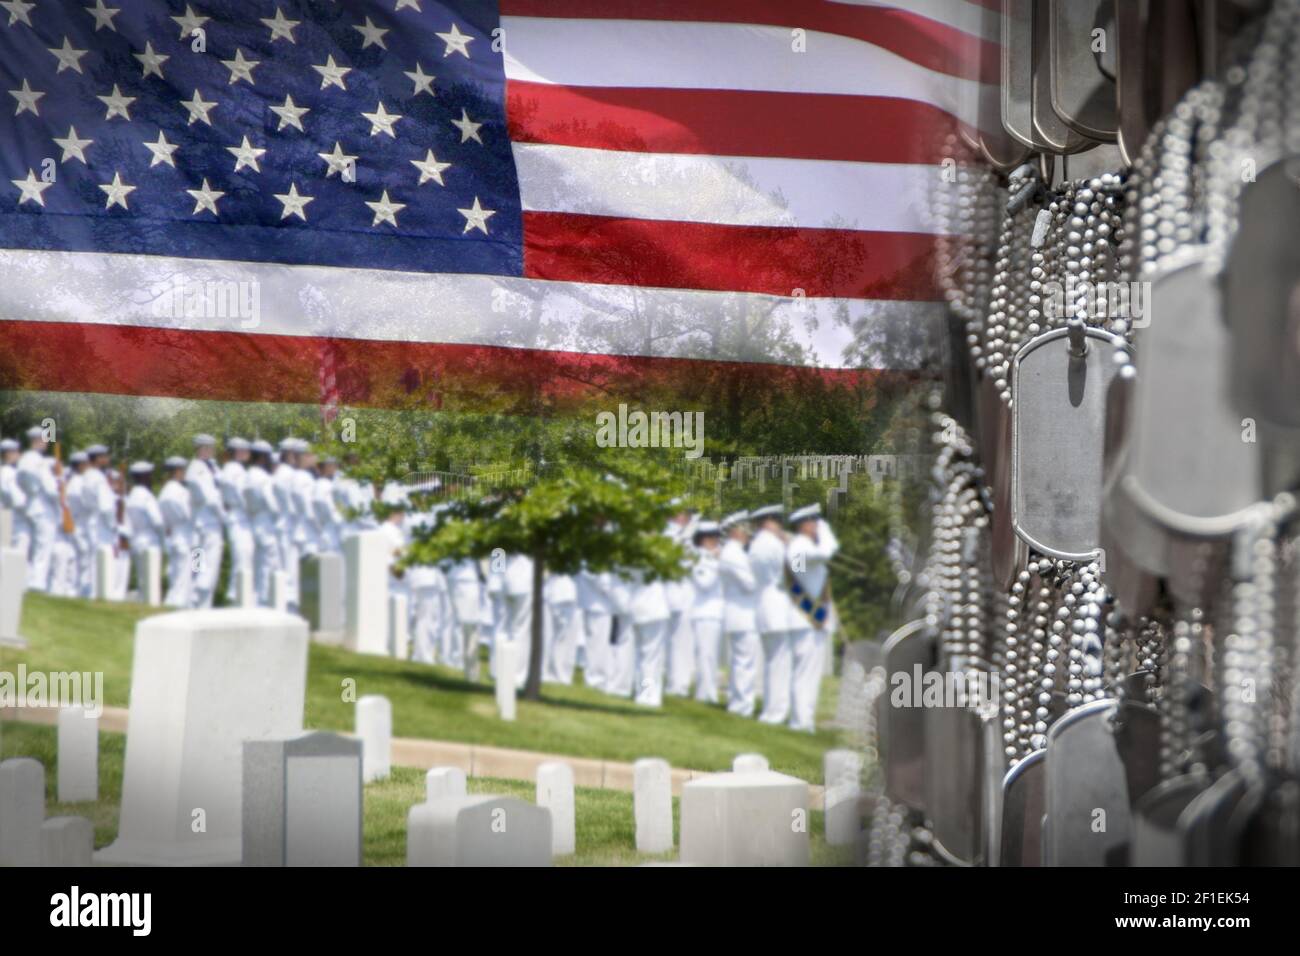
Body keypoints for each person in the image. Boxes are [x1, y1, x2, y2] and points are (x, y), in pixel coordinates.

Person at [784, 503, 839, 733]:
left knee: (807, 673)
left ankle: (803, 720)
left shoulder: (801, 547)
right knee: (805, 673)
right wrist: (826, 531)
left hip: (808, 617)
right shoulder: (800, 547)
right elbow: (828, 550)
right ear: (805, 525)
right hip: (806, 617)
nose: (817, 526)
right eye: (814, 522)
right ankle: (801, 722)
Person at [749, 503, 797, 725]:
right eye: (777, 522)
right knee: (780, 664)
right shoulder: (774, 544)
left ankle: (770, 710)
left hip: (763, 606)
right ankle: (776, 712)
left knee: (772, 663)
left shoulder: (756, 544)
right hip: (777, 606)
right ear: (769, 522)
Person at [718, 511, 760, 716]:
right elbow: (750, 584)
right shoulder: (733, 553)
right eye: (745, 530)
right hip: (743, 615)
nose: (748, 534)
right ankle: (742, 706)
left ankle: (738, 703)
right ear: (735, 531)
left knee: (740, 663)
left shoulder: (733, 552)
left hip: (739, 615)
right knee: (745, 664)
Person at [17, 426, 60, 592]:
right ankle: (37, 583)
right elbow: (50, 488)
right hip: (43, 509)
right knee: (43, 547)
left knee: (33, 546)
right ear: (38, 440)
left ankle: (30, 580)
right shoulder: (39, 461)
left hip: (30, 506)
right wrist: (60, 491)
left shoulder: (24, 460)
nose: (46, 444)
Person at [185, 435, 225, 608]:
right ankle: (196, 601)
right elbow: (211, 498)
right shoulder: (198, 469)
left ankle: (201, 603)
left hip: (203, 524)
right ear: (202, 448)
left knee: (201, 566)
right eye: (209, 447)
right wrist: (225, 517)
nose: (212, 451)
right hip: (207, 524)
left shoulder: (212, 466)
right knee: (204, 567)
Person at [689, 520, 725, 705]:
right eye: (711, 537)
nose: (715, 541)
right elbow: (704, 584)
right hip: (704, 613)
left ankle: (706, 692)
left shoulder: (712, 556)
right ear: (702, 539)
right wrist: (718, 564)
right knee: (706, 656)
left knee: (710, 656)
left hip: (715, 613)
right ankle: (706, 694)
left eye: (716, 537)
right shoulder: (699, 557)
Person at [663, 506, 697, 697]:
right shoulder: (680, 537)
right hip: (679, 597)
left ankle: (673, 684)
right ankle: (678, 685)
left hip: (673, 597)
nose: (687, 517)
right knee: (679, 646)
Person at [244, 440, 281, 605]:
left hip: (254, 520)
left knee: (257, 564)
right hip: (266, 522)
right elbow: (273, 505)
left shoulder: (248, 475)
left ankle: (256, 599)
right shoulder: (264, 478)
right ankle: (264, 601)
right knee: (269, 564)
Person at [218, 438, 254, 604]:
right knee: (243, 559)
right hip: (239, 519)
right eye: (245, 450)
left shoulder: (227, 469)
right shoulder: (237, 470)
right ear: (238, 452)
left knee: (241, 558)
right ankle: (237, 597)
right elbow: (244, 496)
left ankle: (236, 596)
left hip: (232, 518)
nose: (248, 453)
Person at [124, 461, 165, 602]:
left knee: (143, 581)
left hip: (136, 541)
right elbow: (158, 521)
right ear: (145, 477)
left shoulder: (131, 496)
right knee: (152, 581)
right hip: (150, 541)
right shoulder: (146, 496)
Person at [81, 444, 118, 597]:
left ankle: (94, 593)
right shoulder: (98, 478)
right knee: (105, 560)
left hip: (91, 521)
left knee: (94, 561)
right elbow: (106, 507)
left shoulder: (87, 476)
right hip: (102, 526)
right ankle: (103, 594)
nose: (107, 459)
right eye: (105, 456)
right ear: (98, 459)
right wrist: (114, 525)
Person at [158, 456, 194, 608]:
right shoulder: (181, 492)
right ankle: (186, 604)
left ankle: (177, 602)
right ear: (178, 471)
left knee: (176, 574)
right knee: (189, 575)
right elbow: (190, 514)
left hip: (172, 537)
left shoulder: (164, 492)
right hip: (189, 537)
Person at [575, 565, 615, 692]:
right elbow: (601, 581)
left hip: (597, 604)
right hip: (599, 604)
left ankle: (599, 677)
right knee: (597, 646)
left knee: (598, 645)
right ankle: (595, 679)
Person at [273, 437, 301, 605]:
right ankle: (290, 604)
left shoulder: (280, 473)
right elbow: (293, 504)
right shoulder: (288, 474)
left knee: (285, 566)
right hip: (290, 524)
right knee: (291, 567)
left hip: (283, 523)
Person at [447, 555, 482, 679]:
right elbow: (498, 548)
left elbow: (499, 549)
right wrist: (497, 577)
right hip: (467, 577)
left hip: (471, 577)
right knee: (467, 624)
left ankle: (462, 661)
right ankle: (463, 663)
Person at [64, 451, 93, 597]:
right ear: (81, 465)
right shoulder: (80, 483)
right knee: (83, 561)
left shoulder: (71, 482)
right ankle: (81, 592)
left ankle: (75, 590)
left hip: (75, 524)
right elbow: (88, 505)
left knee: (76, 560)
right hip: (81, 524)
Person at [543, 571, 578, 685]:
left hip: (556, 591)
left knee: (555, 637)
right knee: (558, 637)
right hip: (561, 592)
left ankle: (554, 672)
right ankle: (556, 673)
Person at [0, 438, 28, 556]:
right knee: (17, 556)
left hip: (5, 516)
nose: (19, 455)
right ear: (9, 454)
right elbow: (19, 501)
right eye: (16, 452)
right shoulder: (10, 473)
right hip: (15, 519)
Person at [313, 456, 343, 553]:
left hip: (322, 531)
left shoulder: (317, 485)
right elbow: (333, 512)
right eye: (333, 465)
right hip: (332, 533)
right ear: (327, 467)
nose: (335, 468)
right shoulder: (327, 487)